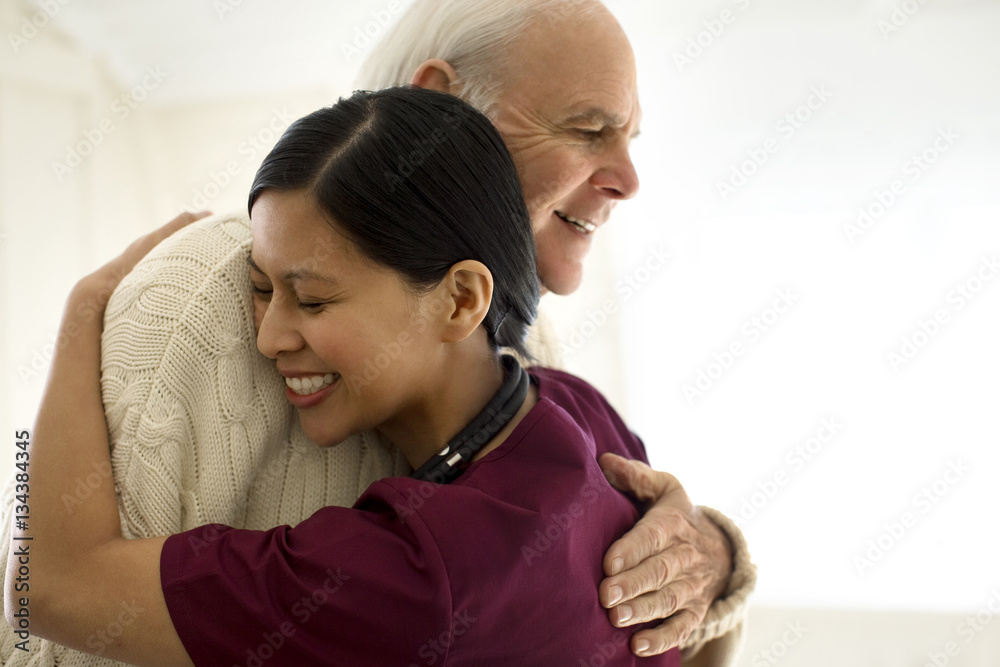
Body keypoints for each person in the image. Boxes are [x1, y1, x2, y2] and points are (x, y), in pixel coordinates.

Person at [0, 0, 755, 665]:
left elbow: (51, 588)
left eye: (314, 300)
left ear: (464, 300)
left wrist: (714, 556)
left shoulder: (422, 572)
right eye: (588, 129)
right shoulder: (575, 407)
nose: (629, 176)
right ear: (442, 102)